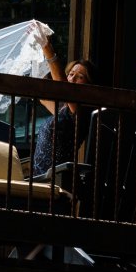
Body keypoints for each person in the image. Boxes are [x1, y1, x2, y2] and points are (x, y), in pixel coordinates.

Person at [32, 31, 95, 179]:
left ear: (89, 84)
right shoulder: (64, 109)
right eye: (71, 74)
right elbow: (41, 95)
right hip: (40, 177)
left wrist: (49, 51)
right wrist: (36, 51)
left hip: (57, 179)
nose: (72, 78)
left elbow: (64, 88)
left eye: (80, 77)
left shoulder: (82, 112)